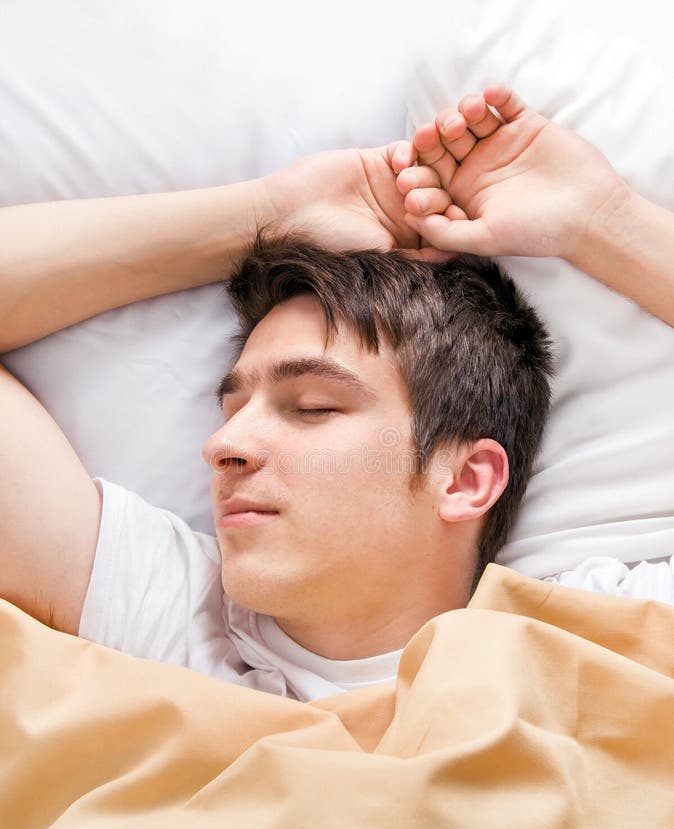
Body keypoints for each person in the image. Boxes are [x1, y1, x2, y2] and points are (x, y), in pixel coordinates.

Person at [0, 85, 671, 700]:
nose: (223, 445)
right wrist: (266, 214)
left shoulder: (601, 646)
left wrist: (605, 222)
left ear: (466, 478)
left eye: (312, 409)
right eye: (232, 409)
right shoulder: (174, 627)